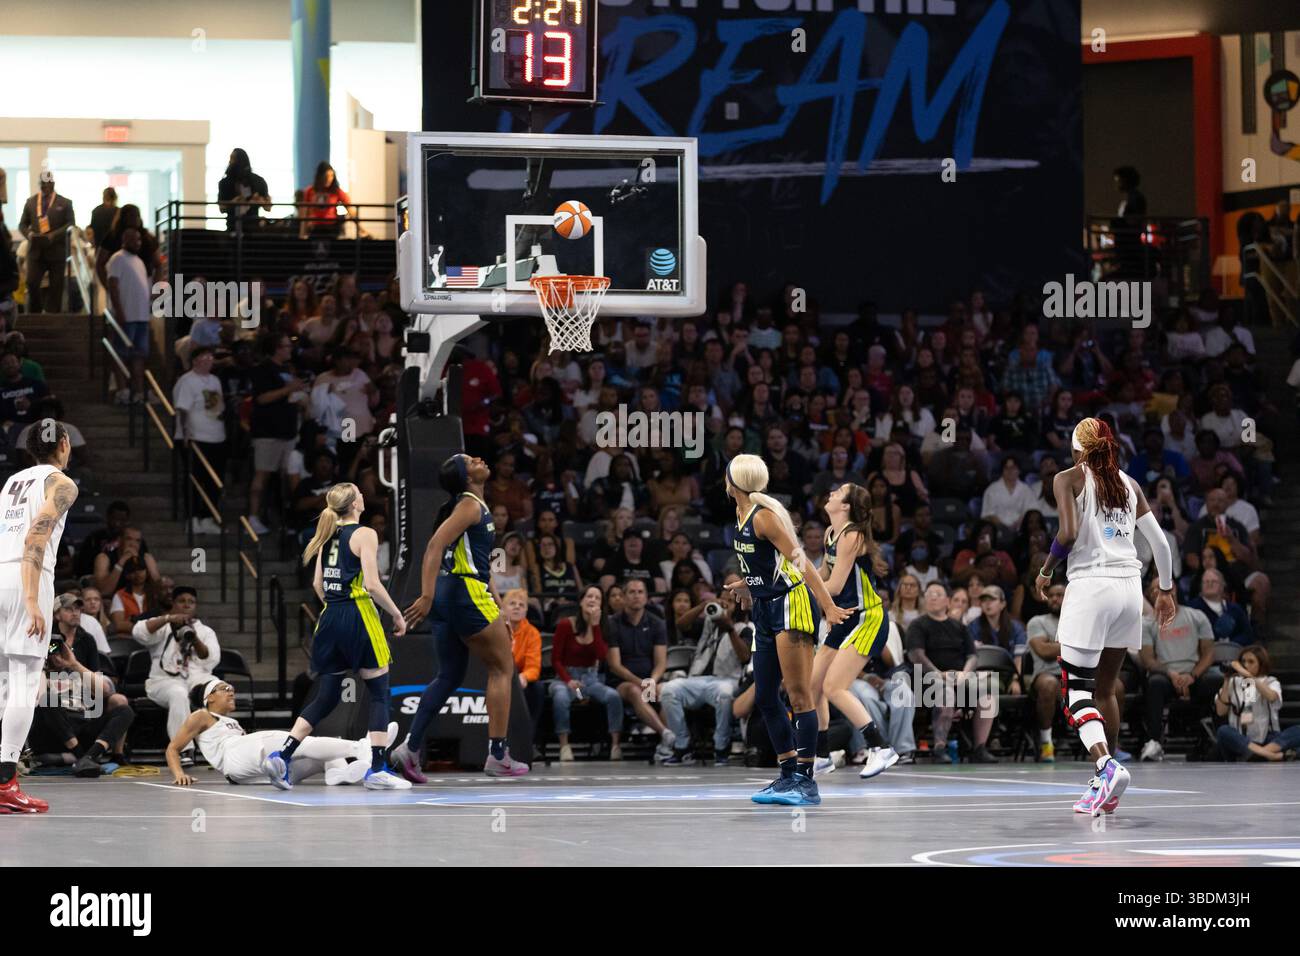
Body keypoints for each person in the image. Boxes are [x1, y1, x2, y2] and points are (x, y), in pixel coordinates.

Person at [1034, 418, 1177, 815]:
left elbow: (1066, 533)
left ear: (1077, 448)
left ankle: (1105, 764)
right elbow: (1161, 544)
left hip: (1090, 588)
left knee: (1077, 691)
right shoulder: (1130, 484)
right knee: (1107, 688)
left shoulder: (1068, 478)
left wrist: (1045, 571)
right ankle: (1106, 778)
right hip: (1130, 589)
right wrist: (1164, 589)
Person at [391, 455, 529, 779]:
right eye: (469, 460)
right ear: (466, 476)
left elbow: (479, 565)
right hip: (464, 593)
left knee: (449, 675)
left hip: (451, 592)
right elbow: (433, 547)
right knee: (501, 667)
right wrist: (424, 595)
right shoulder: (469, 505)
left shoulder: (470, 505)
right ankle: (498, 755)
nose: (478, 458)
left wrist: (497, 605)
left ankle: (409, 749)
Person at [724, 454, 850, 806]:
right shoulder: (741, 513)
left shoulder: (763, 517)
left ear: (735, 481)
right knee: (764, 696)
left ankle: (806, 781)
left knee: (798, 695)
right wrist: (749, 586)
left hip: (791, 604)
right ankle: (786, 774)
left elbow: (801, 563)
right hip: (765, 607)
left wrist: (827, 606)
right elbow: (766, 563)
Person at [265, 482, 409, 790]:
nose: (362, 494)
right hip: (358, 616)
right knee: (380, 692)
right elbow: (371, 584)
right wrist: (396, 613)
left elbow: (318, 584)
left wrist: (337, 609)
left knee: (327, 695)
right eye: (359, 491)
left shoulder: (326, 534)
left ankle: (283, 754)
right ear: (355, 503)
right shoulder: (365, 533)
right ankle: (378, 769)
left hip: (329, 617)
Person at [0, 420, 78, 812]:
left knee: (2, 685)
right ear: (63, 444)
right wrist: (32, 600)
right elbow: (35, 538)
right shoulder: (62, 484)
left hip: (0, 575)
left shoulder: (11, 484)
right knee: (25, 683)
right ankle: (5, 785)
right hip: (25, 579)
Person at [811, 483, 899, 780]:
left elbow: (833, 587)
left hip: (867, 617)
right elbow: (823, 573)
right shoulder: (830, 533)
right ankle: (821, 756)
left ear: (846, 506)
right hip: (843, 616)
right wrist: (793, 577)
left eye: (838, 492)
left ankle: (881, 747)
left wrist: (796, 588)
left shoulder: (851, 535)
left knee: (833, 687)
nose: (831, 492)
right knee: (813, 685)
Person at [168, 678, 395, 787]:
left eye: (233, 690)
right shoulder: (201, 715)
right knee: (298, 742)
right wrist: (179, 773)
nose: (231, 692)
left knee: (316, 756)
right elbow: (173, 748)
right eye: (225, 689)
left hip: (244, 775)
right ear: (209, 697)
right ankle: (363, 748)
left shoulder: (232, 723)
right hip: (234, 755)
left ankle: (339, 773)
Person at [30, 593, 134, 776]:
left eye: (78, 608)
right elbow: (37, 692)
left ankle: (88, 756)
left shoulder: (87, 640)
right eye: (69, 609)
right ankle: (83, 758)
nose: (75, 613)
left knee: (124, 708)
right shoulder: (45, 639)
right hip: (52, 724)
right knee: (48, 699)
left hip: (82, 715)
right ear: (56, 614)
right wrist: (46, 667)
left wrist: (73, 664)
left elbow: (102, 690)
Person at [659, 576, 752, 766]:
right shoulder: (707, 623)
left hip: (727, 680)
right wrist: (704, 606)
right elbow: (681, 625)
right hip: (698, 679)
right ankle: (682, 745)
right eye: (722, 599)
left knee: (724, 694)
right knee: (668, 690)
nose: (725, 603)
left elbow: (745, 658)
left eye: (729, 600)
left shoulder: (744, 629)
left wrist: (730, 630)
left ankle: (721, 748)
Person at [905, 582, 998, 764]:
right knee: (945, 693)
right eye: (929, 594)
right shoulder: (917, 625)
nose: (933, 596)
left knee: (987, 693)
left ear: (948, 601)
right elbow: (916, 655)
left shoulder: (960, 627)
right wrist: (939, 674)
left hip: (958, 677)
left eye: (938, 593)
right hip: (927, 679)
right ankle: (940, 748)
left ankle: (979, 748)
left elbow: (972, 656)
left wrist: (964, 674)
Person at [131, 586, 221, 767]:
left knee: (219, 688)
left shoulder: (205, 631)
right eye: (182, 601)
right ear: (173, 603)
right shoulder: (163, 625)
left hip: (195, 677)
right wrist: (168, 619)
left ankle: (219, 746)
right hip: (163, 680)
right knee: (178, 693)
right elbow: (138, 632)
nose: (187, 605)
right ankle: (183, 749)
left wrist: (194, 638)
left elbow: (210, 659)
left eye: (191, 602)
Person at [1137, 578, 1220, 763]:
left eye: (1168, 587)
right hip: (1166, 675)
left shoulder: (1196, 616)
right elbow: (1148, 660)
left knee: (1219, 680)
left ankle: (1221, 739)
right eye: (1157, 589)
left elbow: (1208, 654)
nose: (1164, 592)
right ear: (1151, 595)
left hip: (1194, 674)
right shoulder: (1147, 623)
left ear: (1175, 591)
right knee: (1155, 683)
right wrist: (1171, 674)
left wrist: (1192, 676)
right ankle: (1153, 742)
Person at [548, 585, 625, 761]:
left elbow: (600, 655)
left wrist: (595, 626)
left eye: (597, 598)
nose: (592, 600)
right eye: (589, 596)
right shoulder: (566, 625)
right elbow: (556, 660)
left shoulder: (604, 627)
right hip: (566, 679)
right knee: (560, 697)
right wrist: (568, 681)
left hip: (590, 680)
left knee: (613, 696)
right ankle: (564, 745)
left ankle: (615, 745)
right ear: (581, 601)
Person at [172, 346, 227, 534]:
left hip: (216, 436)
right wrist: (186, 433)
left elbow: (216, 407)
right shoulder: (187, 381)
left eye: (211, 357)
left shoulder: (215, 380)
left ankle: (209, 516)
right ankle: (193, 517)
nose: (210, 360)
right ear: (195, 360)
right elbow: (182, 409)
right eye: (205, 357)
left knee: (213, 480)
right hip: (196, 437)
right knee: (195, 478)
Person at [1213, 646, 1298, 761]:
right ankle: (1266, 755)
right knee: (1223, 731)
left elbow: (1272, 697)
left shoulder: (1270, 681)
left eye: (1251, 662)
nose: (1246, 665)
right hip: (1240, 739)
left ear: (1261, 664)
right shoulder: (1233, 682)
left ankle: (1257, 755)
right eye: (1243, 662)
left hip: (1267, 738)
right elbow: (1221, 711)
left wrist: (1250, 677)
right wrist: (1227, 680)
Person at [105, 227, 152, 403]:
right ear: (125, 240)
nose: (137, 243)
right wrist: (119, 312)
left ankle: (138, 392)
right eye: (133, 239)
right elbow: (113, 285)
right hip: (127, 316)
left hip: (141, 317)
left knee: (139, 356)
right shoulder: (117, 258)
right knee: (120, 354)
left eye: (139, 240)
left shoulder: (138, 261)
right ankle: (122, 390)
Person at [17, 175, 75, 313]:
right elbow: (22, 224)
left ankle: (52, 316)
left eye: (48, 183)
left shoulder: (65, 202)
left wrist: (53, 236)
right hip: (36, 251)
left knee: (56, 287)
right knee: (31, 283)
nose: (45, 186)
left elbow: (71, 224)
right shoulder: (31, 202)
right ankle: (36, 313)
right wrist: (29, 235)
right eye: (42, 183)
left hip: (57, 251)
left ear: (53, 183)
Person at [1024, 582, 1066, 762]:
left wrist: (1054, 644)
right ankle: (1046, 743)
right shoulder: (1037, 621)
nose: (1055, 598)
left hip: (1075, 673)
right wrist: (1076, 645)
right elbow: (1044, 651)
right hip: (1045, 675)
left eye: (1060, 595)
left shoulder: (1080, 621)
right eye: (1052, 595)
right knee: (1049, 684)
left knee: (1114, 685)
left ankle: (1109, 746)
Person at [502, 588, 543, 740]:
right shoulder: (495, 629)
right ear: (503, 608)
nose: (517, 607)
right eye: (512, 603)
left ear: (526, 610)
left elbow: (533, 666)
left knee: (537, 688)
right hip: (498, 676)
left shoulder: (533, 633)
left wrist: (524, 677)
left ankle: (527, 740)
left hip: (520, 678)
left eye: (521, 605)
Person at [217, 148, 271, 231]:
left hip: (253, 227)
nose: (230, 162)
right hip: (233, 226)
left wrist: (260, 201)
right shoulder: (225, 183)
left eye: (233, 159)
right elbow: (222, 208)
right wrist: (233, 203)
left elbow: (268, 207)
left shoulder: (258, 181)